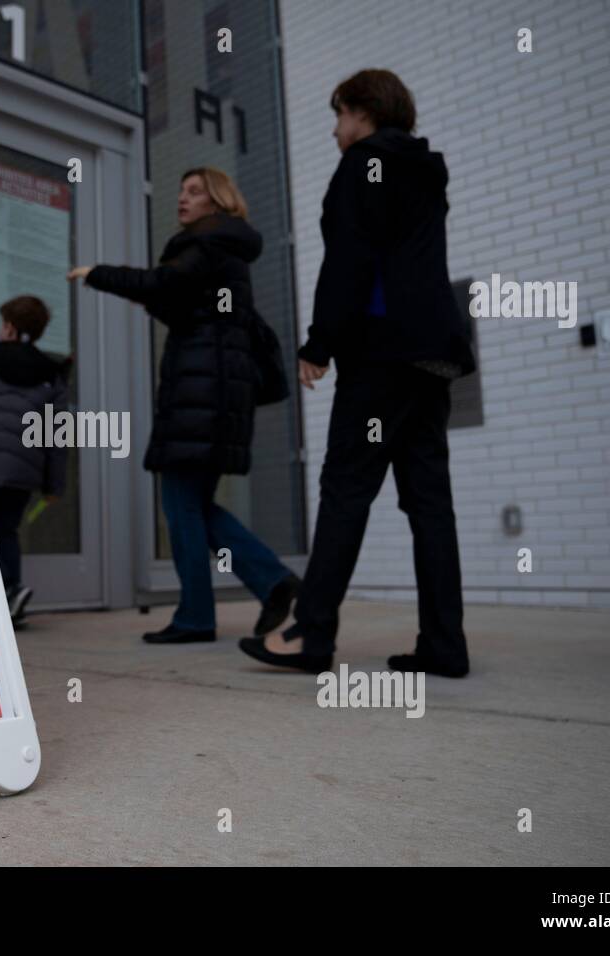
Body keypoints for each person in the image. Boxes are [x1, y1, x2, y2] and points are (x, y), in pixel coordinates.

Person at [239, 69, 475, 676]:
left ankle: (310, 635)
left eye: (339, 115)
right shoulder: (426, 170)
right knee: (429, 502)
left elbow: (350, 261)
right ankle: (445, 645)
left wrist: (319, 343)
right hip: (433, 354)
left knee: (346, 488)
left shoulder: (364, 164)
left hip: (383, 355)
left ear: (364, 110)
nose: (336, 131)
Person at [68, 167, 299, 643]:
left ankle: (201, 613)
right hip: (216, 392)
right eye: (181, 190)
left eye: (194, 192)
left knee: (181, 505)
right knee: (192, 504)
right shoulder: (224, 251)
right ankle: (272, 582)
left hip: (202, 393)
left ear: (216, 202)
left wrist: (98, 275)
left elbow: (162, 285)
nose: (182, 198)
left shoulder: (210, 244)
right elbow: (187, 304)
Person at [0, 295, 71, 624]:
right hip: (24, 471)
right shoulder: (52, 374)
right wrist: (54, 485)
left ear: (9, 327)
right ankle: (11, 595)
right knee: (5, 529)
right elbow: (57, 436)